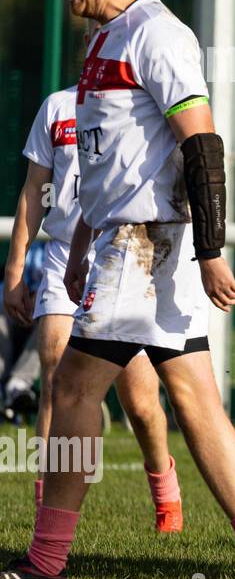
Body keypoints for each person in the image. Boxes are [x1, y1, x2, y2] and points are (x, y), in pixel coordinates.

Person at [2, 0, 235, 579]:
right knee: (195, 401)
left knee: (72, 387)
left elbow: (203, 143)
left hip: (146, 246)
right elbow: (113, 161)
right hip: (123, 241)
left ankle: (45, 561)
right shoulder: (106, 39)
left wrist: (211, 250)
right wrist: (78, 240)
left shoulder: (158, 35)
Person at [5, 76, 181, 531]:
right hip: (65, 252)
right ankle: (50, 512)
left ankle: (166, 493)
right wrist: (15, 269)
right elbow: (33, 191)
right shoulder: (57, 106)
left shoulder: (138, 107)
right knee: (55, 380)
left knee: (140, 402)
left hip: (122, 250)